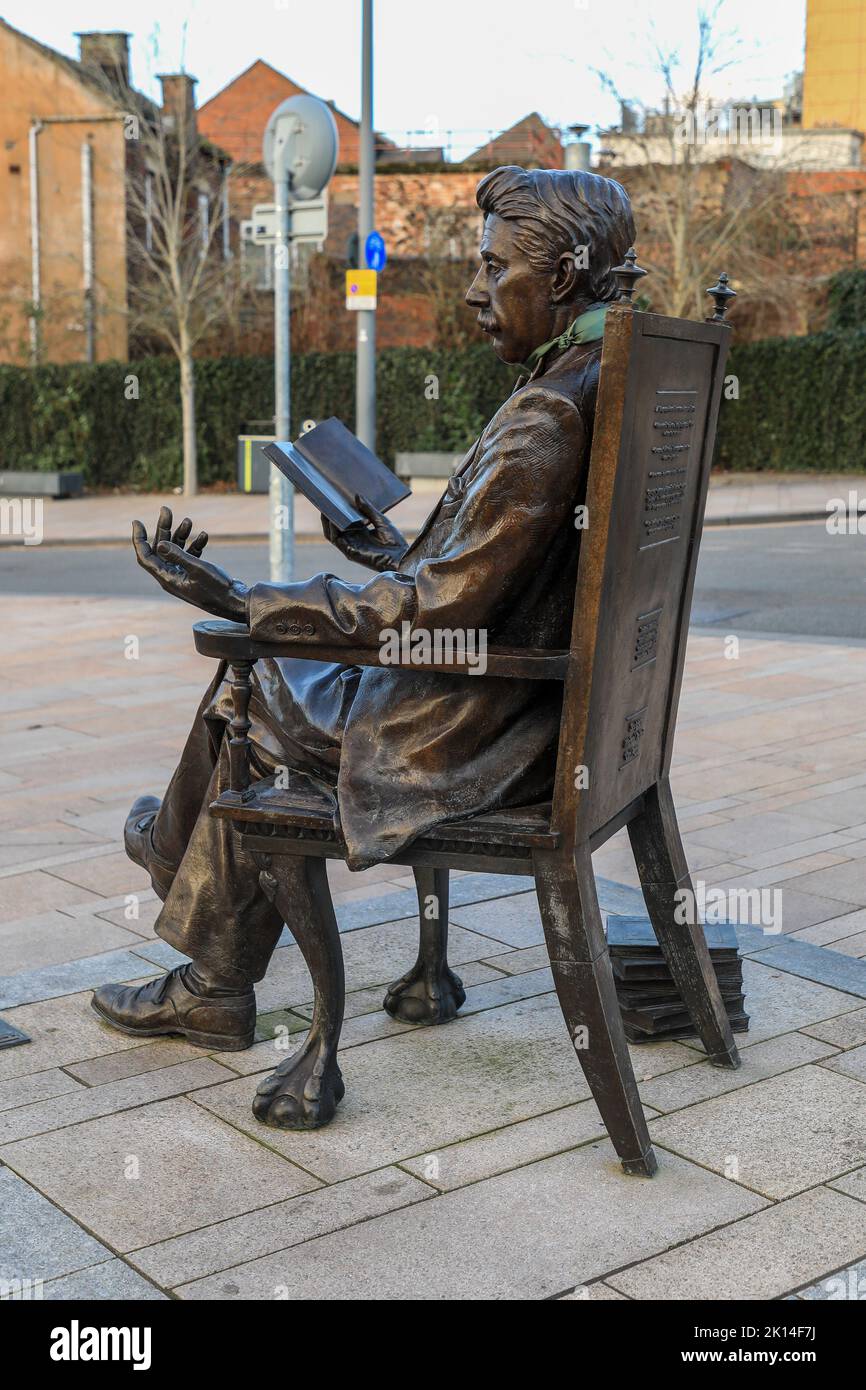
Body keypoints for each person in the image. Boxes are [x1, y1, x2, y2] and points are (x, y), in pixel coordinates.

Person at [92, 165, 636, 1129]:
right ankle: (186, 884)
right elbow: (478, 578)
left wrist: (242, 595)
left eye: (492, 266)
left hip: (468, 721)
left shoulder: (547, 415)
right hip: (534, 701)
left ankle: (197, 923)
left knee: (248, 682)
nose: (473, 288)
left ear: (562, 279)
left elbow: (430, 613)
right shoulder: (595, 374)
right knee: (264, 672)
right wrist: (379, 546)